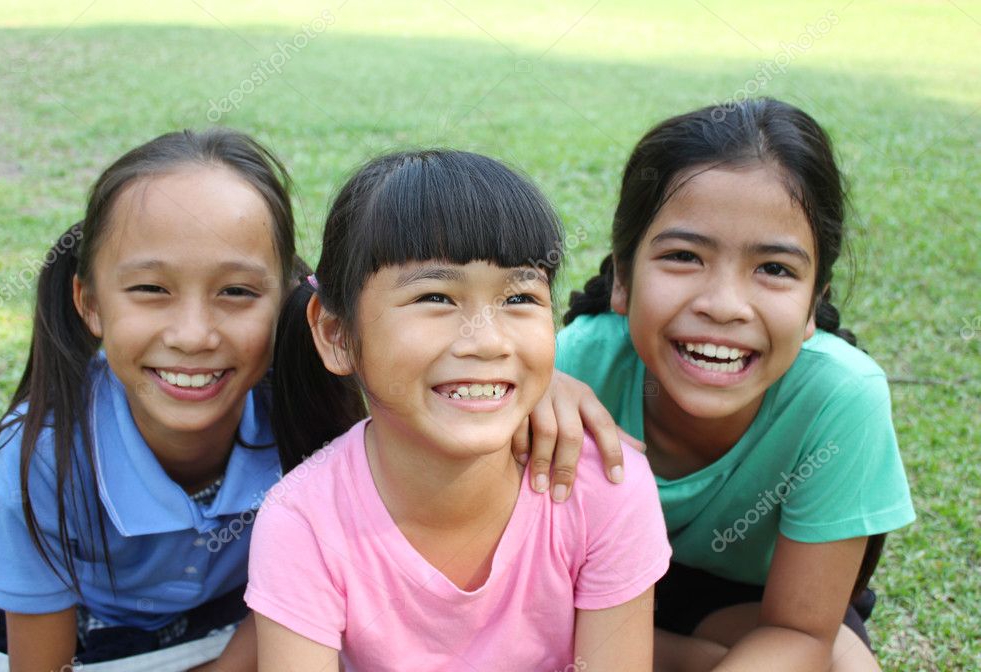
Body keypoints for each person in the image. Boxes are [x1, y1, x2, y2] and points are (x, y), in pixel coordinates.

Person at [246, 149, 672, 671]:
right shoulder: (302, 522)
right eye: (436, 297)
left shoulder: (603, 488)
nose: (487, 341)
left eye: (519, 299)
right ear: (337, 334)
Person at [0, 128, 344, 671]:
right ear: (89, 303)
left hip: (244, 622)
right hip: (88, 629)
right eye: (150, 289)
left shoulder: (311, 413)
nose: (193, 335)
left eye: (236, 291)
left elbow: (319, 569)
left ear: (285, 302)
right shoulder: (42, 454)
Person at [556, 98, 915, 671]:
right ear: (622, 279)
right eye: (683, 256)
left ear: (813, 303)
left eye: (774, 269)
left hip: (752, 601)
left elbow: (799, 631)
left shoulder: (839, 398)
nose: (724, 306)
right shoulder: (576, 367)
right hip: (590, 596)